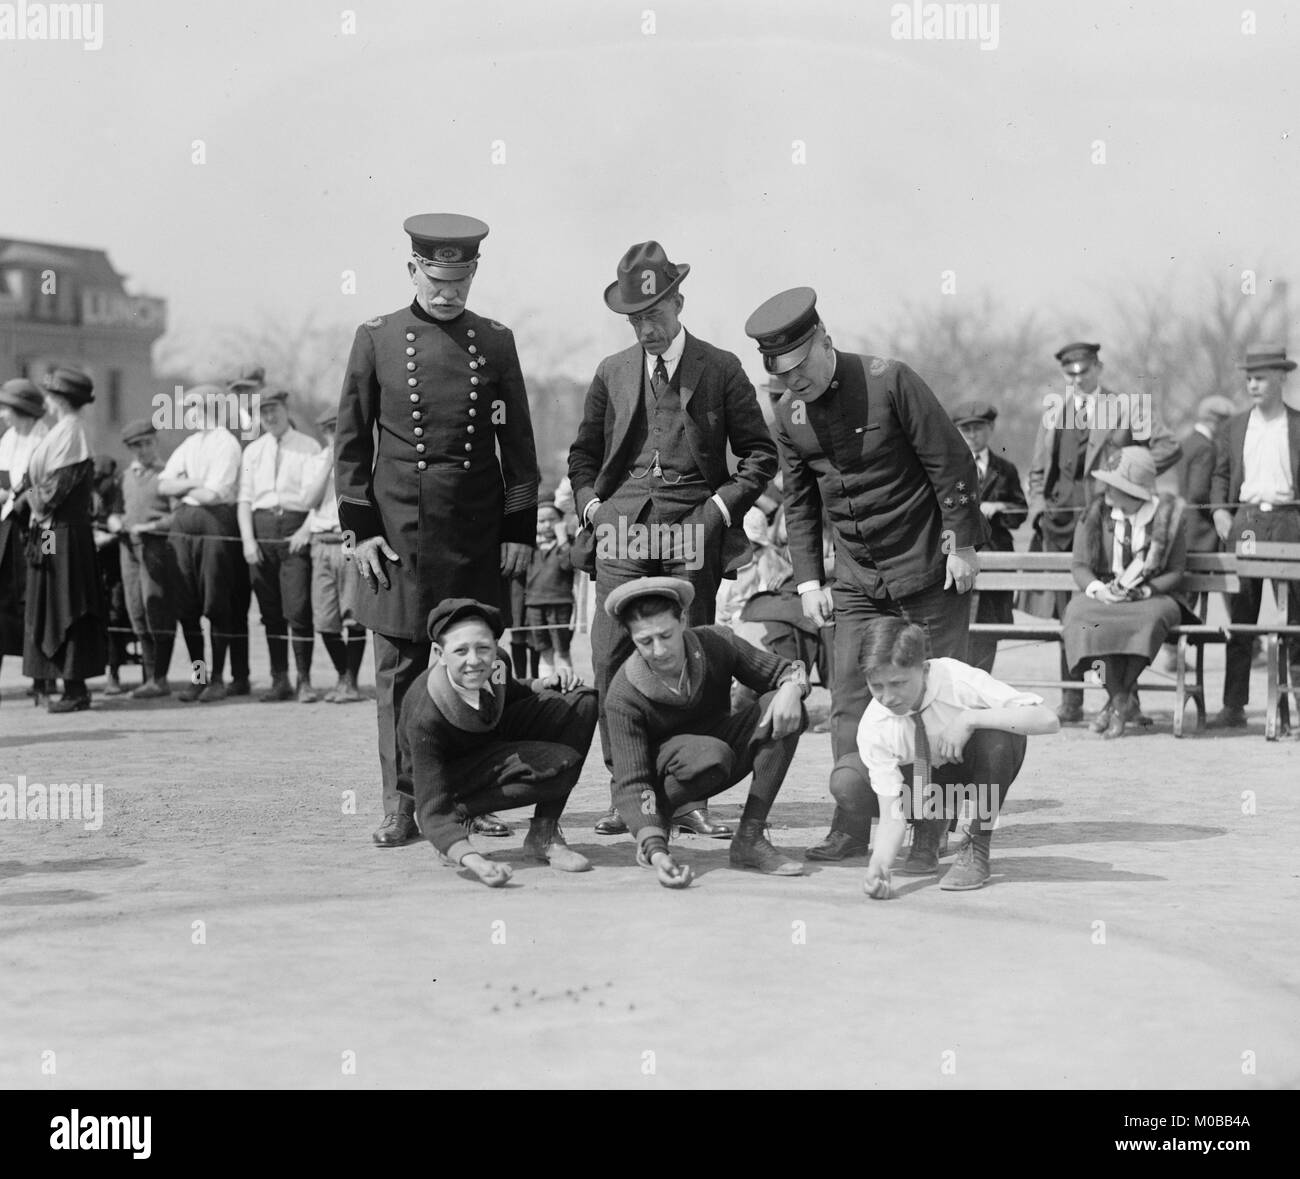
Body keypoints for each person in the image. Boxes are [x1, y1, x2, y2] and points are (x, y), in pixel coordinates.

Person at [743, 287, 987, 863]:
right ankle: (853, 822)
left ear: (825, 340)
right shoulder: (788, 411)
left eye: (802, 369)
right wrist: (808, 583)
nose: (795, 383)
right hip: (855, 581)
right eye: (784, 376)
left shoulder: (889, 380)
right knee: (853, 700)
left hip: (929, 568)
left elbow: (951, 463)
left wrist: (961, 545)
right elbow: (800, 504)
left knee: (929, 699)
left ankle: (929, 828)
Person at [336, 213, 540, 847]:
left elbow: (519, 445)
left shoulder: (496, 341)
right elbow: (350, 443)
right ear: (412, 270)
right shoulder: (375, 338)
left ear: (474, 273)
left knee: (475, 665)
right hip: (396, 533)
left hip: (476, 529)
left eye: (460, 281)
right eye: (436, 280)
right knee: (398, 671)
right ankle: (403, 801)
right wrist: (360, 530)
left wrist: (518, 530)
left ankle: (469, 795)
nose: (448, 294)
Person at [569, 241, 778, 840]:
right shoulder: (612, 371)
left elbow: (759, 455)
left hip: (694, 526)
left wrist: (717, 510)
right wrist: (593, 508)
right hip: (620, 528)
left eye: (654, 314)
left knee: (695, 655)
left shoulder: (720, 367)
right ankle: (626, 794)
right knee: (611, 654)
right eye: (635, 319)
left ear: (679, 302)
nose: (645, 328)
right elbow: (583, 455)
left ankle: (688, 797)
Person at [603, 577, 810, 887]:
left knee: (779, 704)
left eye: (665, 635)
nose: (659, 650)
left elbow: (786, 668)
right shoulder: (622, 694)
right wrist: (655, 849)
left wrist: (793, 687)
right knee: (710, 755)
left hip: (716, 752)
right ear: (630, 638)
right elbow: (630, 782)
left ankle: (750, 838)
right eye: (645, 641)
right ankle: (658, 828)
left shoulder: (717, 642)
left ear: (683, 620)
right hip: (666, 782)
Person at [847, 618, 1060, 898]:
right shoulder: (875, 724)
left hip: (967, 772)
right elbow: (891, 814)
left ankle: (976, 845)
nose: (887, 697)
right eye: (877, 686)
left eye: (898, 683)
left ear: (923, 670)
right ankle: (929, 826)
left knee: (999, 737)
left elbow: (1047, 719)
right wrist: (880, 865)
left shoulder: (956, 679)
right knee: (847, 779)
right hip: (924, 787)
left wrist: (970, 718)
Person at [1025, 341, 1181, 722]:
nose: (1077, 379)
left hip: (1110, 521)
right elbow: (1037, 471)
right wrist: (1038, 508)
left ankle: (1126, 700)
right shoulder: (1055, 412)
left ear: (1099, 368)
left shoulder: (1126, 407)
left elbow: (1170, 446)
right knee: (1069, 608)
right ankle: (1073, 700)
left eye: (1084, 371)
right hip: (1059, 524)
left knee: (1120, 606)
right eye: (1070, 374)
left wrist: (1129, 472)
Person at [397, 599, 599, 888]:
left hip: (489, 746)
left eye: (483, 648)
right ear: (440, 654)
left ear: (495, 645)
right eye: (460, 651)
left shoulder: (498, 663)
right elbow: (429, 807)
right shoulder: (425, 715)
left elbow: (512, 691)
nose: (474, 660)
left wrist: (546, 683)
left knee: (582, 700)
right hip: (447, 779)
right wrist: (473, 860)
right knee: (559, 770)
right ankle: (454, 826)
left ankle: (544, 835)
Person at [1062, 448, 1195, 738]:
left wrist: (1147, 589)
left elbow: (1175, 571)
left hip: (1151, 597)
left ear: (1133, 491)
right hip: (1105, 596)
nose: (1106, 488)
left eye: (1114, 484)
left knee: (1151, 618)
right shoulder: (1096, 512)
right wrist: (1098, 590)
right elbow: (1080, 566)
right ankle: (1122, 701)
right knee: (1078, 614)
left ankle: (1115, 702)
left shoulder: (1167, 516)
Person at [1210, 345, 1300, 728]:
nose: (1253, 385)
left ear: (1281, 378)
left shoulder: (1296, 424)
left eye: (1260, 378)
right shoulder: (1234, 426)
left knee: (1295, 619)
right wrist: (1219, 512)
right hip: (1245, 523)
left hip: (1289, 523)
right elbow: (1220, 474)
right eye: (1248, 378)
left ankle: (1294, 705)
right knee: (1242, 618)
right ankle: (1234, 706)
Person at [18, 367, 107, 713]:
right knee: (48, 596)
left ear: (58, 399)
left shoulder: (71, 433)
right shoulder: (61, 432)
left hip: (64, 534)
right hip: (51, 533)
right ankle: (50, 678)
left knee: (65, 600)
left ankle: (75, 686)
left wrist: (27, 493)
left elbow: (52, 491)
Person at [158, 384, 246, 702]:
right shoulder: (189, 444)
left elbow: (213, 494)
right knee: (186, 606)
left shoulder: (227, 443)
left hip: (214, 523)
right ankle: (199, 678)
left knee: (216, 604)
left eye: (193, 407)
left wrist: (183, 487)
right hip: (184, 526)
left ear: (208, 407)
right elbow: (163, 484)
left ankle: (219, 679)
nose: (188, 414)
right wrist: (194, 483)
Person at [237, 389, 322, 703]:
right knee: (270, 613)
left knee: (298, 610)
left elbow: (318, 494)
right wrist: (248, 540)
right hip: (260, 534)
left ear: (286, 409)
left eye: (274, 410)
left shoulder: (308, 446)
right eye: (263, 413)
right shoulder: (253, 451)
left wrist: (306, 528)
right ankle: (279, 679)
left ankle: (305, 681)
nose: (269, 417)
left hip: (295, 532)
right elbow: (244, 499)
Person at [951, 401, 1029, 674]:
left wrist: (1001, 508)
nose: (972, 435)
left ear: (991, 429)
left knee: (988, 627)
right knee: (955, 624)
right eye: (966, 429)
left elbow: (1021, 513)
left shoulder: (1005, 469)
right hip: (958, 555)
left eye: (978, 428)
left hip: (996, 554)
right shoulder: (947, 466)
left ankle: (982, 688)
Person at [113, 419, 184, 698]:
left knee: (158, 611)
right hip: (128, 548)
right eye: (136, 446)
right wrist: (115, 520)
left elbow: (177, 516)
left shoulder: (168, 474)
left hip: (158, 548)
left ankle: (160, 677)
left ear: (155, 442)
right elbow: (116, 509)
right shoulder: (125, 476)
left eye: (147, 443)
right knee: (136, 611)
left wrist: (151, 527)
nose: (143, 450)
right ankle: (149, 676)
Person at [300, 407, 366, 703]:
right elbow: (309, 501)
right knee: (325, 618)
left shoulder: (361, 460)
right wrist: (328, 463)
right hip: (321, 540)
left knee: (353, 615)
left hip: (349, 539)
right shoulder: (315, 462)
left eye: (338, 429)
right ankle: (342, 676)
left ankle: (350, 682)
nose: (333, 436)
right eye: (328, 430)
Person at [0, 379, 49, 700]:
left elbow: (43, 488)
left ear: (23, 411)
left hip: (34, 530)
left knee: (35, 600)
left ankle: (42, 678)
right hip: (6, 530)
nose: (4, 415)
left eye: (8, 409)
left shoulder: (43, 441)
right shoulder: (8, 439)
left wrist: (18, 498)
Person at [91, 456, 131, 694]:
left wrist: (110, 537)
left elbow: (122, 521)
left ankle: (113, 672)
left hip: (114, 562)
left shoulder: (116, 491)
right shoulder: (87, 493)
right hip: (93, 563)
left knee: (116, 617)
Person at [524, 499, 575, 676]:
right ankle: (548, 688)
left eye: (551, 520)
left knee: (562, 649)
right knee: (543, 650)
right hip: (534, 603)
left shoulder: (567, 543)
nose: (546, 525)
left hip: (560, 602)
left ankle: (566, 686)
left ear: (561, 520)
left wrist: (562, 539)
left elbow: (568, 565)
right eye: (541, 521)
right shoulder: (529, 546)